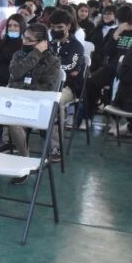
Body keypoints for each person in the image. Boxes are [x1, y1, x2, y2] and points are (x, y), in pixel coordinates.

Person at [0, 23, 62, 190]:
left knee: (13, 123)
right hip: (14, 100)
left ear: (42, 42)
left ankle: (24, 161)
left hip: (36, 105)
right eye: (24, 37)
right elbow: (16, 73)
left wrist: (36, 54)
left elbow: (46, 89)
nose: (24, 41)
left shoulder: (53, 61)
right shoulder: (18, 55)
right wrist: (34, 55)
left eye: (29, 39)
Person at [84, 4, 132, 123]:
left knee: (117, 88)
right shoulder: (114, 31)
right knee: (91, 82)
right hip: (111, 67)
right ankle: (88, 115)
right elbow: (106, 51)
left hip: (129, 70)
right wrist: (117, 34)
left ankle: (119, 121)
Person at [49, 9, 85, 159]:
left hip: (68, 87)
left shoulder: (76, 46)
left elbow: (72, 69)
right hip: (46, 85)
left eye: (59, 27)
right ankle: (9, 141)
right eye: (53, 27)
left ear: (68, 26)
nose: (56, 30)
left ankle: (56, 147)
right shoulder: (47, 45)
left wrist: (49, 68)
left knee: (56, 103)